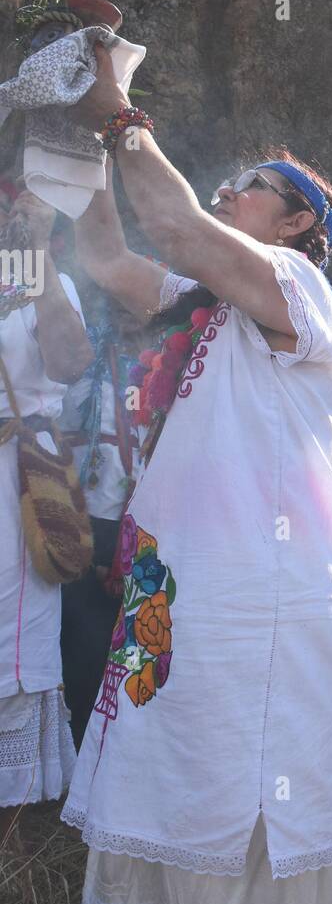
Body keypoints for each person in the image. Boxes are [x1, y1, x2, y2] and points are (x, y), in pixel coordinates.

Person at [55, 45, 332, 904]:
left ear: (300, 223)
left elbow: (180, 222)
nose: (229, 185)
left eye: (255, 185)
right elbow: (108, 255)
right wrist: (77, 139)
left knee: (239, 812)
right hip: (175, 621)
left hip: (255, 620)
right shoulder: (212, 312)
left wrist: (118, 109)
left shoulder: (297, 296)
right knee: (166, 797)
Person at [0, 184, 92, 840]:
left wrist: (37, 262)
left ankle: (18, 847)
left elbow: (69, 361)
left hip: (19, 480)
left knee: (13, 645)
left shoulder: (44, 286)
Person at [59, 276, 144, 750]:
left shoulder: (168, 368)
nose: (129, 314)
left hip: (138, 520)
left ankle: (106, 747)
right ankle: (68, 747)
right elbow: (60, 418)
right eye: (121, 305)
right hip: (83, 515)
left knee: (119, 641)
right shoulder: (86, 364)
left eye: (138, 306)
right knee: (76, 633)